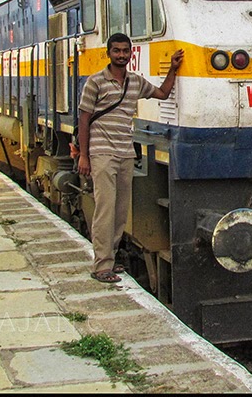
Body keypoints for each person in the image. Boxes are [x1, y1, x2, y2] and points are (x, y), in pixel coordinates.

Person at [76, 33, 184, 283]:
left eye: (125, 51)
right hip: (102, 153)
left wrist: (172, 69)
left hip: (125, 152)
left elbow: (162, 93)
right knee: (105, 209)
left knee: (120, 211)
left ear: (130, 53)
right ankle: (101, 266)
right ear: (108, 53)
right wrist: (84, 155)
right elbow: (84, 119)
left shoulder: (135, 82)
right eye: (116, 51)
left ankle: (110, 258)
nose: (121, 55)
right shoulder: (95, 82)